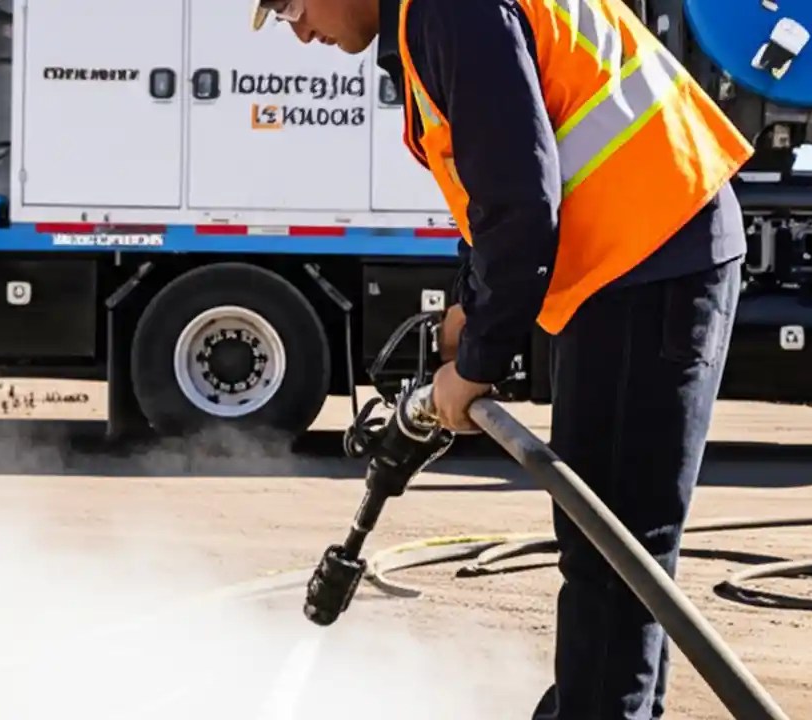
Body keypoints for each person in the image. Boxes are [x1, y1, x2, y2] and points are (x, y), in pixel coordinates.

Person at [253, 0, 754, 715]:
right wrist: (469, 306)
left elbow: (521, 199)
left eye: (291, 5)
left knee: (615, 550)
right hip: (635, 254)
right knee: (612, 550)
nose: (298, 29)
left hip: (650, 254)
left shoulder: (449, 11)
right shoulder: (429, 18)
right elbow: (493, 185)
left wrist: (477, 364)